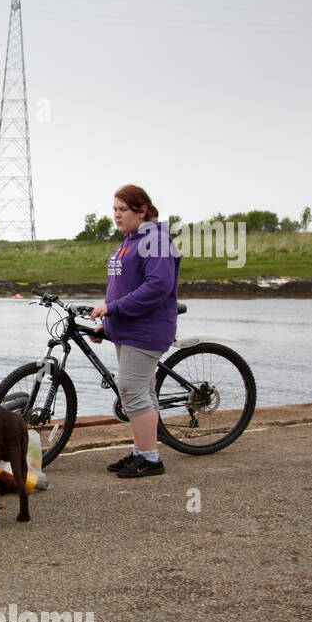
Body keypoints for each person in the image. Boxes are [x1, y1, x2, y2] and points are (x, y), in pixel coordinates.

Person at [89, 184, 180, 478]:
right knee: (141, 391)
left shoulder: (156, 242)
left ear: (142, 210)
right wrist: (108, 324)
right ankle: (142, 450)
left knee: (131, 390)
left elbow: (157, 287)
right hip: (127, 329)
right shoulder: (129, 241)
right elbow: (122, 288)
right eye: (114, 210)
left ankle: (151, 459)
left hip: (146, 330)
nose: (116, 215)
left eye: (123, 210)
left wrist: (113, 309)